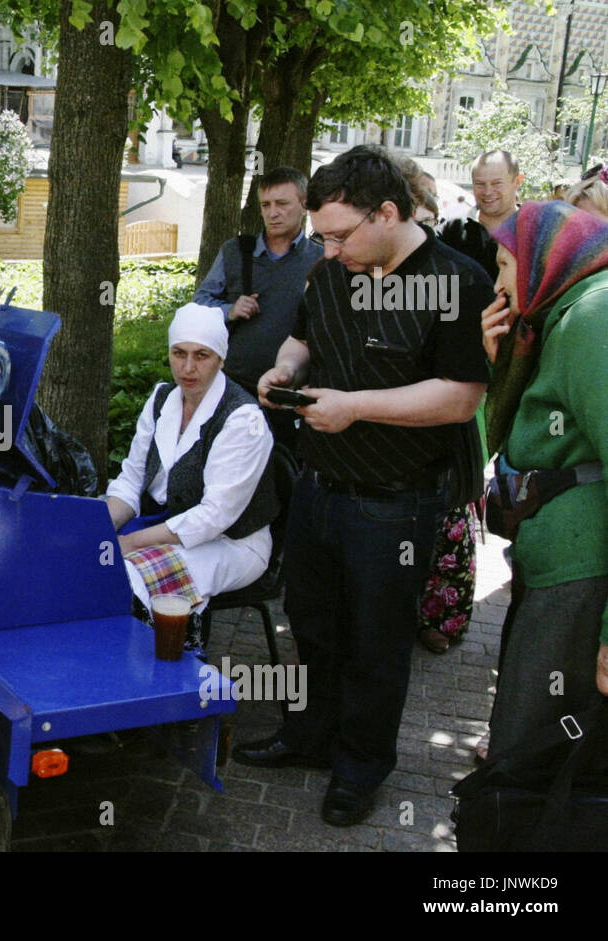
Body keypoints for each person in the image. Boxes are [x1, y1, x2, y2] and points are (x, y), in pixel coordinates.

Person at [232, 145, 493, 827]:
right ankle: (307, 735)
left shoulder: (457, 281)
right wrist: (284, 370)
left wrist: (356, 408)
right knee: (312, 626)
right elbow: (303, 339)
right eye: (323, 236)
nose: (331, 249)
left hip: (395, 502)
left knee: (377, 644)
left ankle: (360, 768)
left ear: (388, 212)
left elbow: (460, 397)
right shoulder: (333, 269)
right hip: (320, 487)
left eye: (343, 234)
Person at [480, 200, 608, 761]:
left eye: (506, 265)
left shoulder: (591, 318)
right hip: (558, 561)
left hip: (581, 574)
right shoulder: (562, 313)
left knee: (529, 748)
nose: (499, 282)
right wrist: (495, 357)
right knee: (525, 729)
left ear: (544, 260)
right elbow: (489, 439)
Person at [106, 303, 277, 644]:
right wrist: (100, 529)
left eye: (202, 355)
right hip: (167, 526)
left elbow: (214, 516)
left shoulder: (243, 419)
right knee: (91, 560)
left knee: (126, 574)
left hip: (235, 544)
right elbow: (131, 477)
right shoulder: (161, 399)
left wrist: (127, 542)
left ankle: (167, 672)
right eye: (179, 353)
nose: (187, 368)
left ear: (221, 359)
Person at [394, 155, 483, 655]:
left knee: (449, 521)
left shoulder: (453, 274)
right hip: (396, 436)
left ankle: (441, 616)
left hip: (443, 427)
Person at [193, 166, 324, 451]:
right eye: (266, 205)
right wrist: (229, 309)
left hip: (290, 391)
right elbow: (200, 304)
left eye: (282, 203)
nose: (273, 212)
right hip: (235, 385)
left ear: (303, 206)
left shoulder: (322, 259)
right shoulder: (236, 251)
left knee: (282, 472)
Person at [440, 150, 524, 281]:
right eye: (480, 184)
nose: (488, 192)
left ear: (518, 181)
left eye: (497, 183)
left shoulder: (536, 230)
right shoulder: (452, 229)